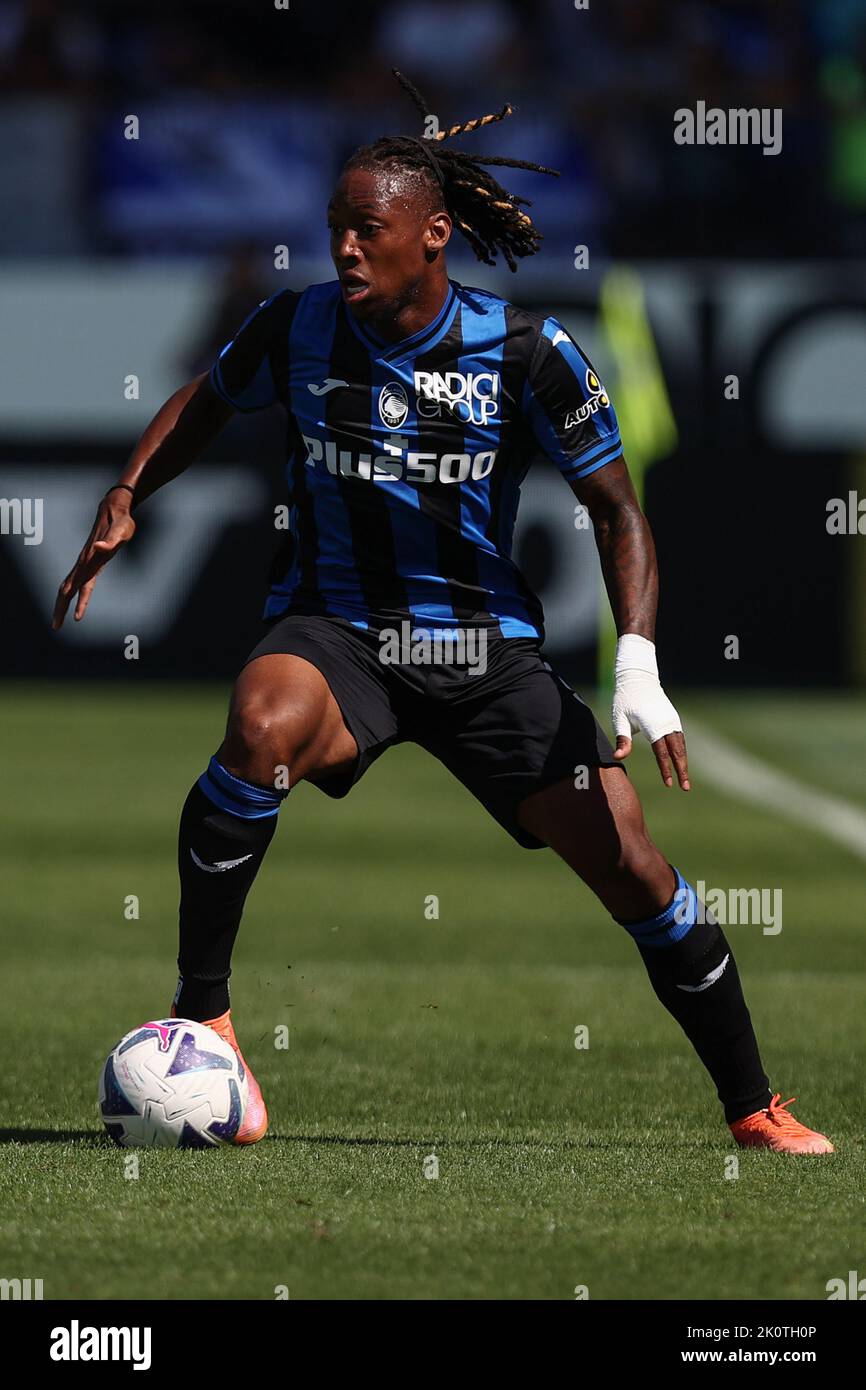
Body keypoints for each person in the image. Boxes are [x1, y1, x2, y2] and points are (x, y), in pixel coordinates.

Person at [53, 72, 833, 1155]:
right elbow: (205, 397)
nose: (342, 251)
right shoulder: (297, 326)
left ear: (431, 236)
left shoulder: (523, 353)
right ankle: (206, 1013)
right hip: (337, 632)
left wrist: (639, 666)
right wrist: (132, 490)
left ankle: (752, 1106)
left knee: (634, 867)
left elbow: (616, 510)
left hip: (482, 651)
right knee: (260, 721)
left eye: (365, 231)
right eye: (333, 230)